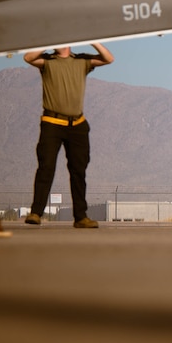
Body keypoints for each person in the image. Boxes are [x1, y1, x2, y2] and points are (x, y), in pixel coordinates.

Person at [23, 43, 114, 228]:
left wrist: (93, 40)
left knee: (78, 172)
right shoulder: (47, 61)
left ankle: (81, 217)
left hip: (78, 125)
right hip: (52, 123)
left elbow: (108, 58)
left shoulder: (82, 61)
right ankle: (35, 213)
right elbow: (28, 58)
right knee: (46, 167)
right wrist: (47, 43)